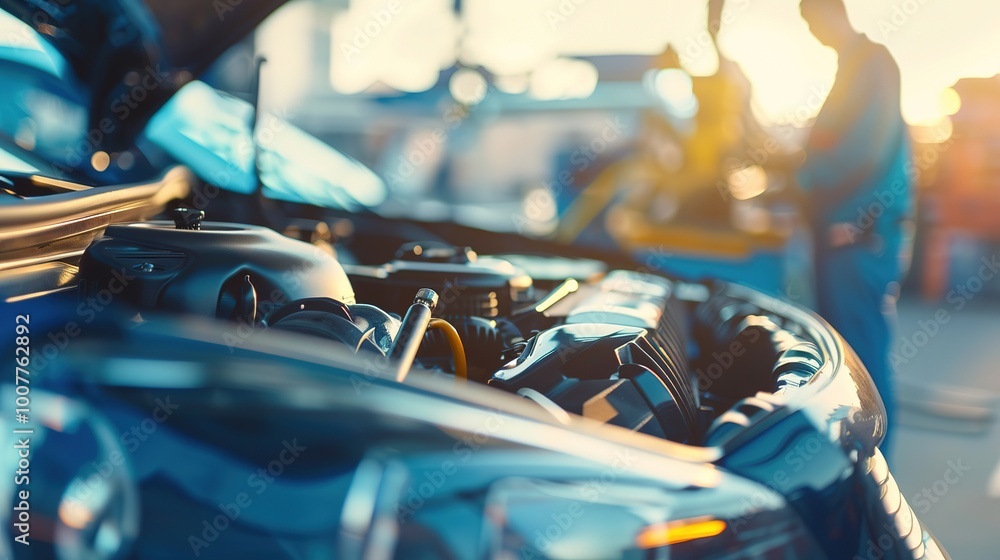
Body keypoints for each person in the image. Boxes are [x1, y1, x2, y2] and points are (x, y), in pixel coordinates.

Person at [797, 0, 914, 454]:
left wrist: (800, 179)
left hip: (859, 237)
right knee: (847, 354)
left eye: (811, 22)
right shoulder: (852, 68)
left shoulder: (872, 65)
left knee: (861, 360)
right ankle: (862, 471)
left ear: (833, 12)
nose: (812, 33)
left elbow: (864, 151)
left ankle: (875, 477)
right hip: (847, 235)